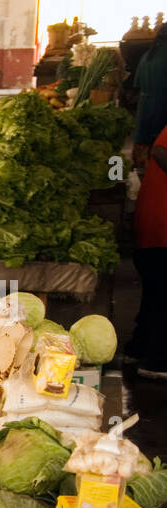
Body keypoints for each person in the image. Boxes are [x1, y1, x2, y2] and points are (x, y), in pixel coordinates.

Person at [128, 123, 167, 378]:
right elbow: (160, 153)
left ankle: (137, 349)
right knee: (162, 296)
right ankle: (157, 362)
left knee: (154, 294)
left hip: (153, 230)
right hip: (160, 230)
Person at [133, 25, 167, 170]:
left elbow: (138, 83)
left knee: (147, 145)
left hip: (145, 107)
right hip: (162, 108)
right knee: (161, 152)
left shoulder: (147, 56)